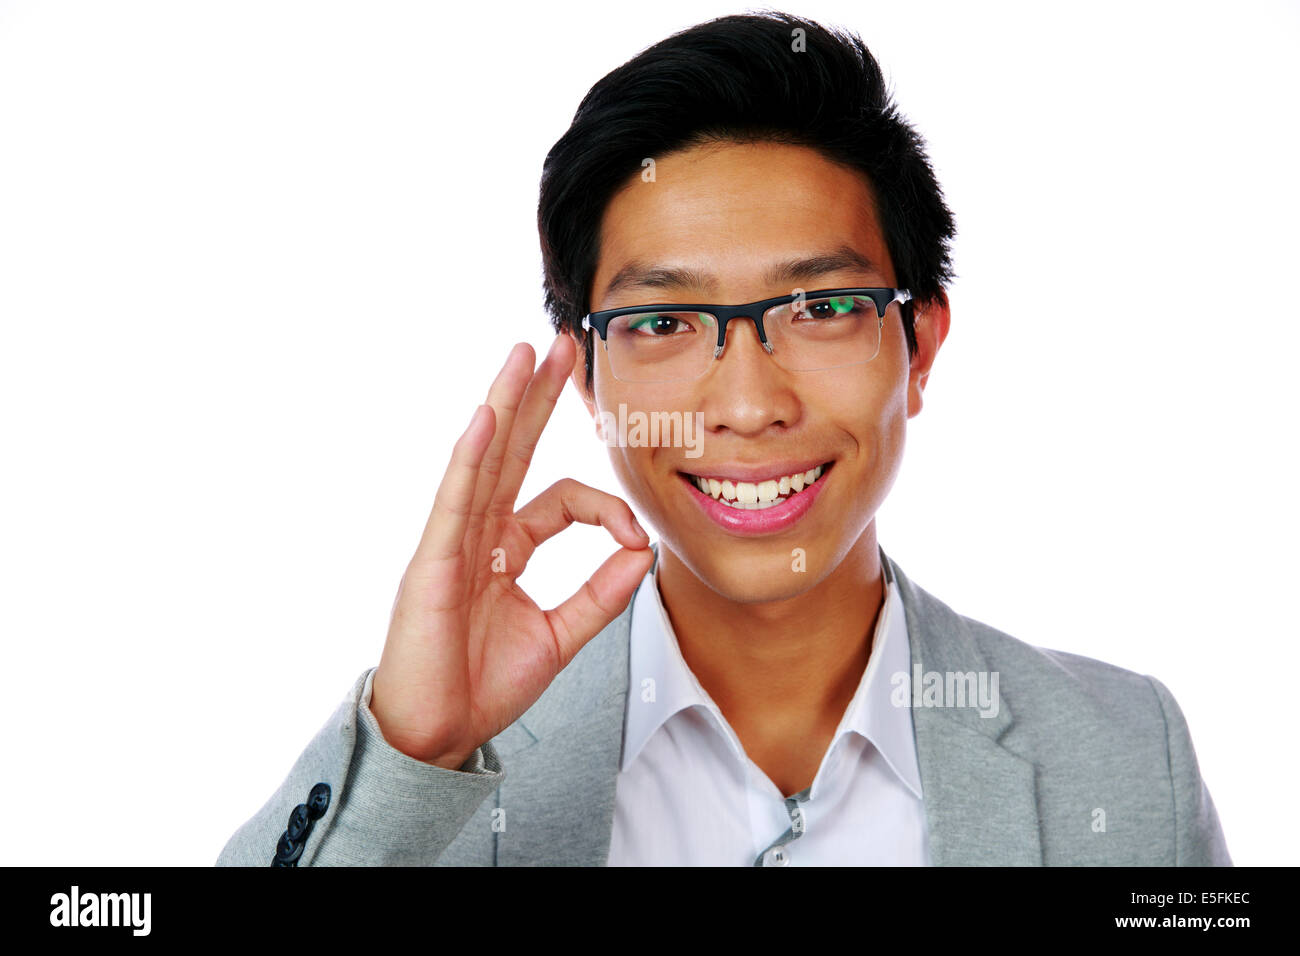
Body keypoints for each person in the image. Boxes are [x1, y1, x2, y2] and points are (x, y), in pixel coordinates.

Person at [216, 11, 1231, 867]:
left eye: (820, 306)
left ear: (918, 344)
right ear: (588, 375)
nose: (747, 404)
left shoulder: (1127, 753)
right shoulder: (433, 769)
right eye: (661, 323)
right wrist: (411, 749)